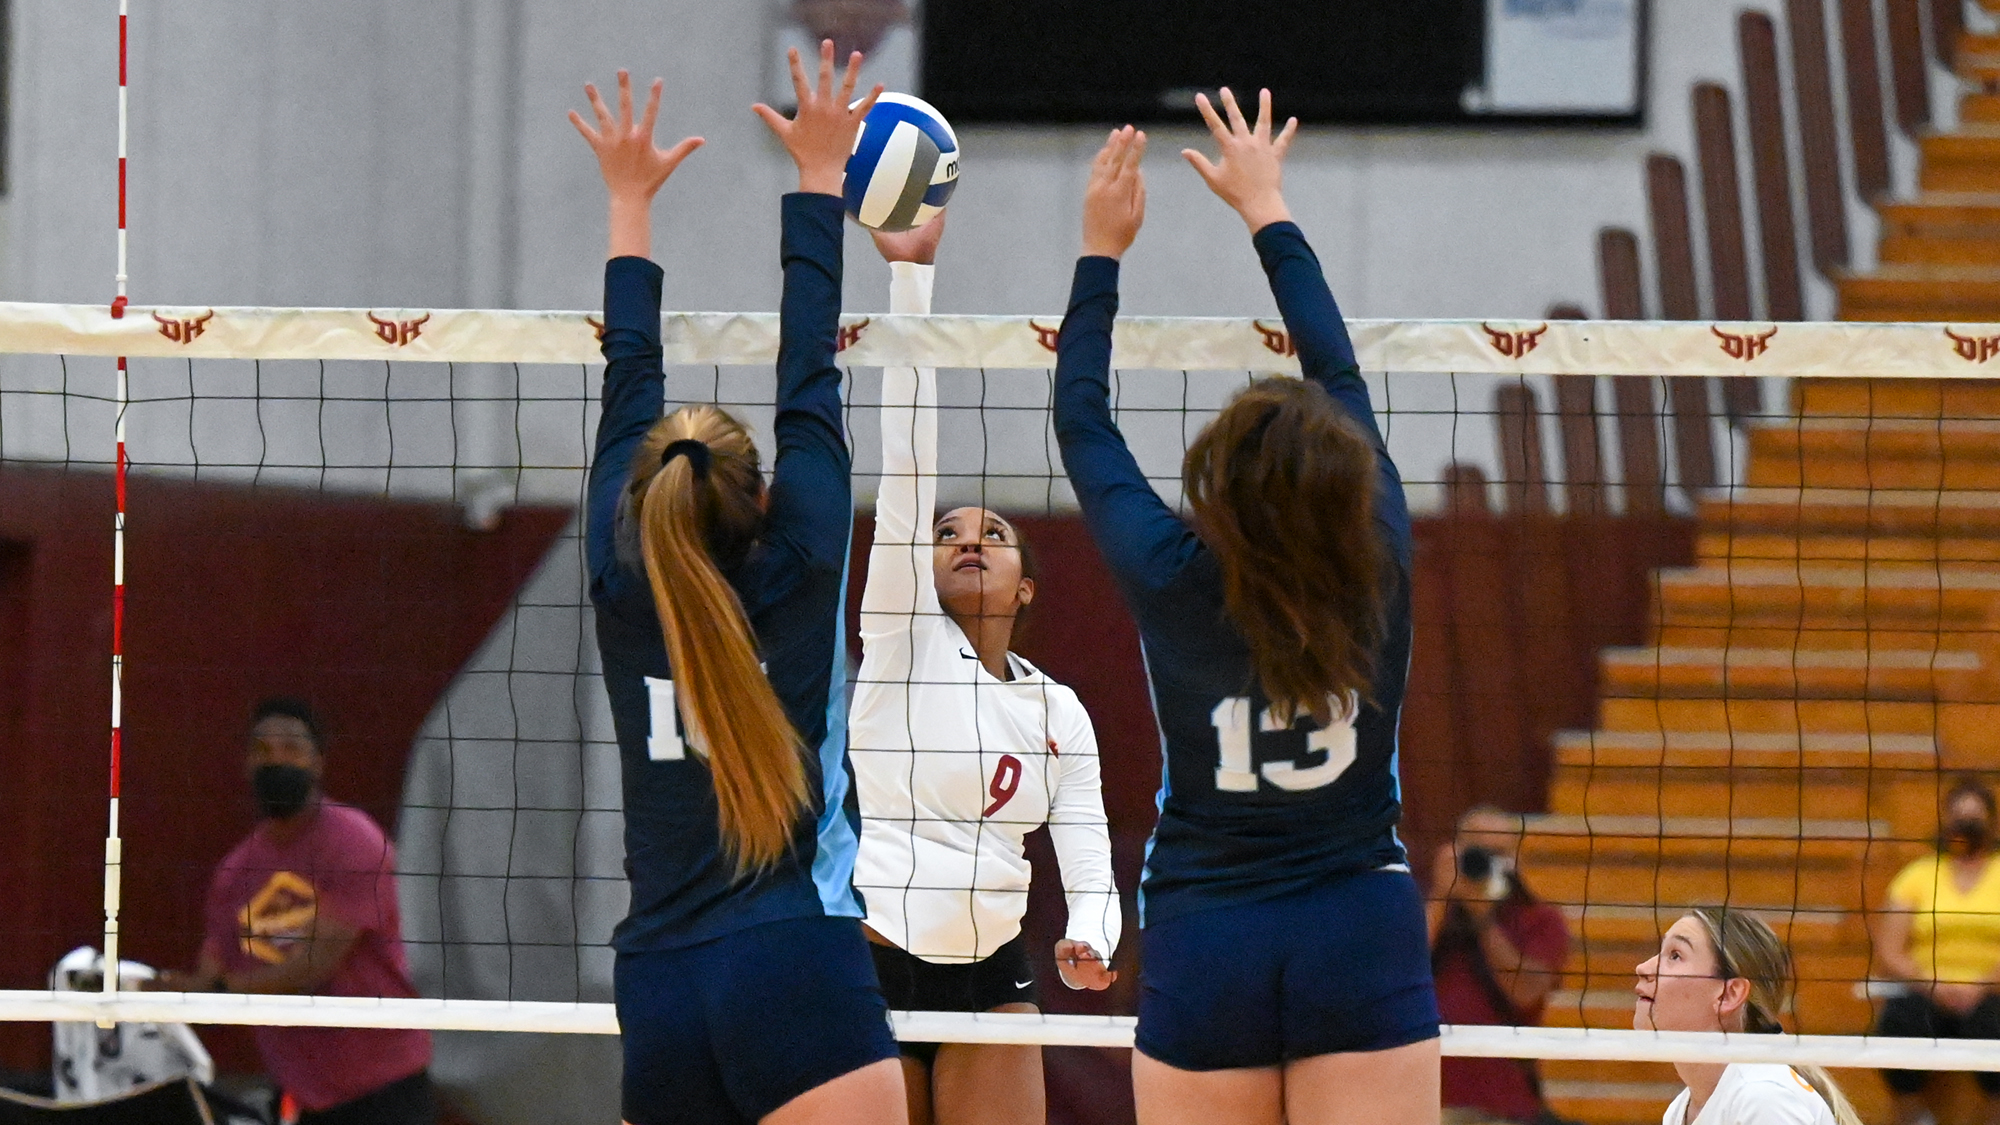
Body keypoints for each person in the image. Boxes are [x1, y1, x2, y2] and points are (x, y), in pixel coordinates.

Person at [1052, 90, 1437, 1125]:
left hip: (1206, 933)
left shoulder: (1172, 576)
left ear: (1217, 481)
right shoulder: (1380, 562)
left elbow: (1080, 422)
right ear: (1345, 483)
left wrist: (1101, 252)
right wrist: (1265, 207)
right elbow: (1339, 374)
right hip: (1357, 924)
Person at [572, 44, 906, 1125]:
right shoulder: (802, 565)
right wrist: (818, 179)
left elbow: (631, 386)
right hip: (793, 965)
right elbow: (807, 369)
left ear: (644, 499)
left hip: (658, 985)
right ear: (759, 498)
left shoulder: (625, 582)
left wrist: (629, 206)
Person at [850, 212, 1122, 1125]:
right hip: (871, 965)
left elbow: (1087, 858)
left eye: (994, 534)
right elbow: (908, 470)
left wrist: (1091, 932)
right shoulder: (897, 637)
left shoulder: (1061, 710)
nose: (969, 540)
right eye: (948, 534)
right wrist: (911, 284)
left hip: (991, 976)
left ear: (1029, 587)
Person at [150, 697, 435, 1125]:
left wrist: (223, 991)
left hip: (385, 1088)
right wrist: (155, 993)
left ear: (318, 763)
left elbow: (312, 967)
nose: (276, 761)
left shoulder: (354, 841)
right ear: (246, 764)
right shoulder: (235, 873)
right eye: (263, 751)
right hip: (306, 1098)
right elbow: (211, 980)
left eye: (291, 749)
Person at [1634, 908, 1862, 1125]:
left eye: (1675, 955)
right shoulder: (1681, 1109)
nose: (1643, 967)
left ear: (1729, 994)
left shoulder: (1764, 1096)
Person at [1428, 806, 1571, 1125]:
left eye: (1498, 852)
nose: (1484, 861)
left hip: (1503, 1109)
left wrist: (1483, 916)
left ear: (1516, 860)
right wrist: (1440, 896)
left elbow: (1525, 993)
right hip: (1424, 1103)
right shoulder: (1427, 915)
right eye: (1476, 851)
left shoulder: (1541, 920)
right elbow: (1399, 977)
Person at [1871, 776, 2000, 1125]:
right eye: (1960, 818)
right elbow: (1889, 953)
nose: (1967, 826)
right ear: (1946, 822)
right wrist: (1934, 984)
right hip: (1926, 989)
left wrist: (1979, 986)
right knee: (1899, 1025)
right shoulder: (1919, 874)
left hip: (1991, 992)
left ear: (1992, 823)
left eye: (1975, 818)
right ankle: (1916, 1118)